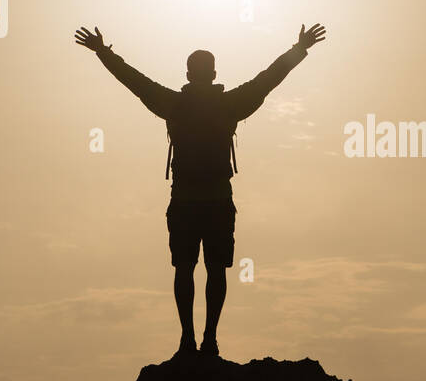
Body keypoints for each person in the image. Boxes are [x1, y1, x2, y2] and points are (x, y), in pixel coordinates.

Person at [74, 23, 327, 355]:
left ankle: (189, 339)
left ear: (189, 74)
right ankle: (208, 338)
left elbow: (135, 81)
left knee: (185, 268)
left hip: (186, 201)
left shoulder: (175, 104)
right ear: (213, 73)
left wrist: (103, 53)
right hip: (217, 200)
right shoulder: (231, 103)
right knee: (214, 269)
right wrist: (299, 49)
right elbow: (269, 78)